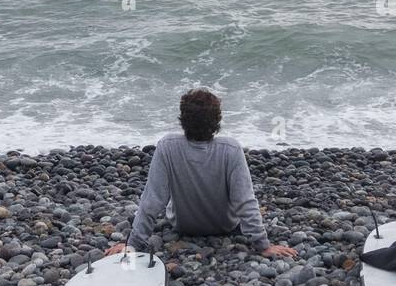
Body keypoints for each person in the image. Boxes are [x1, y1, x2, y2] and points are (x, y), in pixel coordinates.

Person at [106, 89, 296, 259]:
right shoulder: (230, 149)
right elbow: (244, 201)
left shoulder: (167, 146)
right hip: (225, 226)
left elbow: (153, 200)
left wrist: (132, 245)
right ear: (217, 121)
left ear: (183, 119)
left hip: (184, 227)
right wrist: (263, 245)